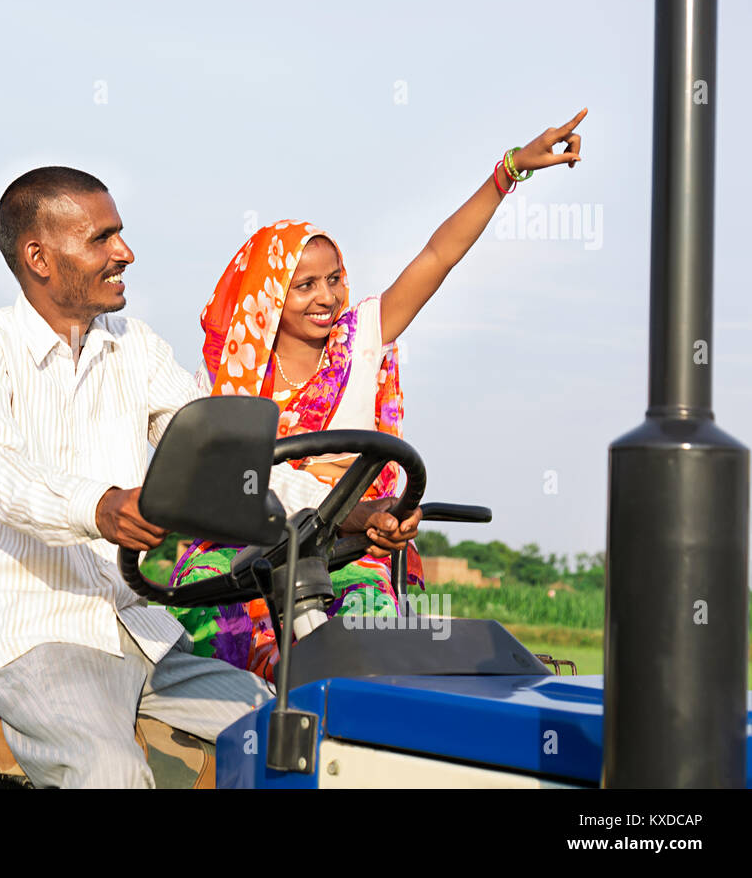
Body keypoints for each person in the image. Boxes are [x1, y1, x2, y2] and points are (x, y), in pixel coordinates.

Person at [0, 166, 417, 788]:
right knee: (110, 775)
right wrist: (100, 508)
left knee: (294, 745)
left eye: (119, 235)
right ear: (39, 257)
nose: (124, 253)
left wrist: (348, 513)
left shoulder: (136, 348)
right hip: (37, 633)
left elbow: (231, 467)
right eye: (102, 239)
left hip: (143, 627)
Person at [169, 110, 588, 681]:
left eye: (335, 278)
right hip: (242, 552)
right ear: (268, 295)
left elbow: (438, 256)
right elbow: (217, 487)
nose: (328, 297)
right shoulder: (225, 379)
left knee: (372, 633)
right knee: (216, 622)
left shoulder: (360, 341)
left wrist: (508, 172)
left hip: (341, 552)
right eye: (305, 284)